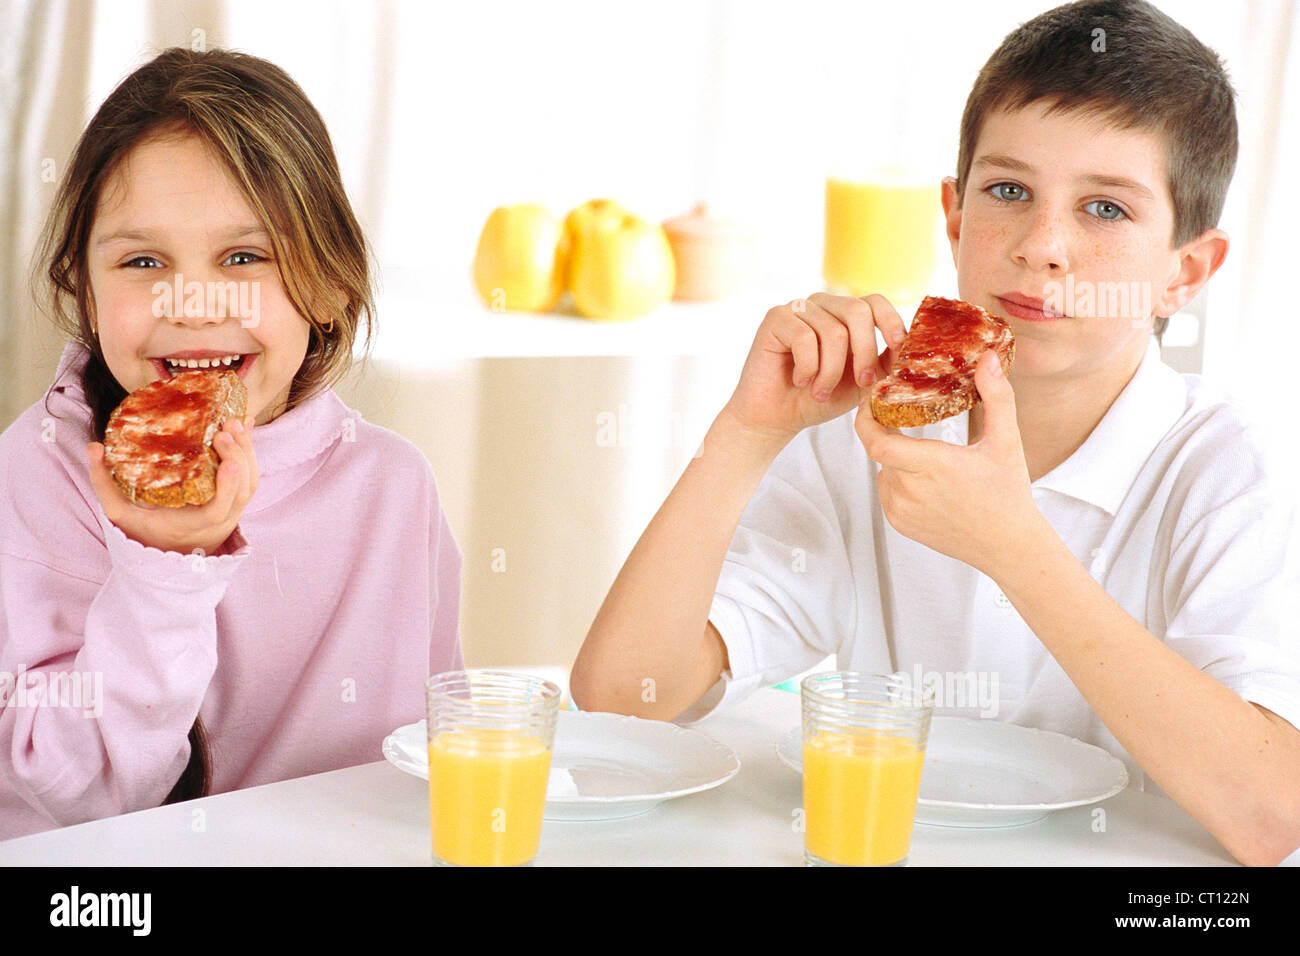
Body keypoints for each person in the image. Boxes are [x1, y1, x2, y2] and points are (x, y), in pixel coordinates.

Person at [571, 0, 1300, 866]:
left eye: (1106, 209)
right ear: (954, 219)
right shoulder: (863, 434)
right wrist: (745, 437)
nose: (1042, 245)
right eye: (1008, 191)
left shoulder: (1227, 467)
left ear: (1185, 273)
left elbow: (1274, 816)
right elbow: (623, 700)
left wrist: (1014, 546)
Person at [0, 48, 462, 839]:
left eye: (244, 257)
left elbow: (429, 761)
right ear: (84, 285)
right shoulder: (38, 471)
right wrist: (161, 571)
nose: (193, 301)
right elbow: (83, 807)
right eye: (143, 261)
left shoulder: (392, 487)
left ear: (330, 283)